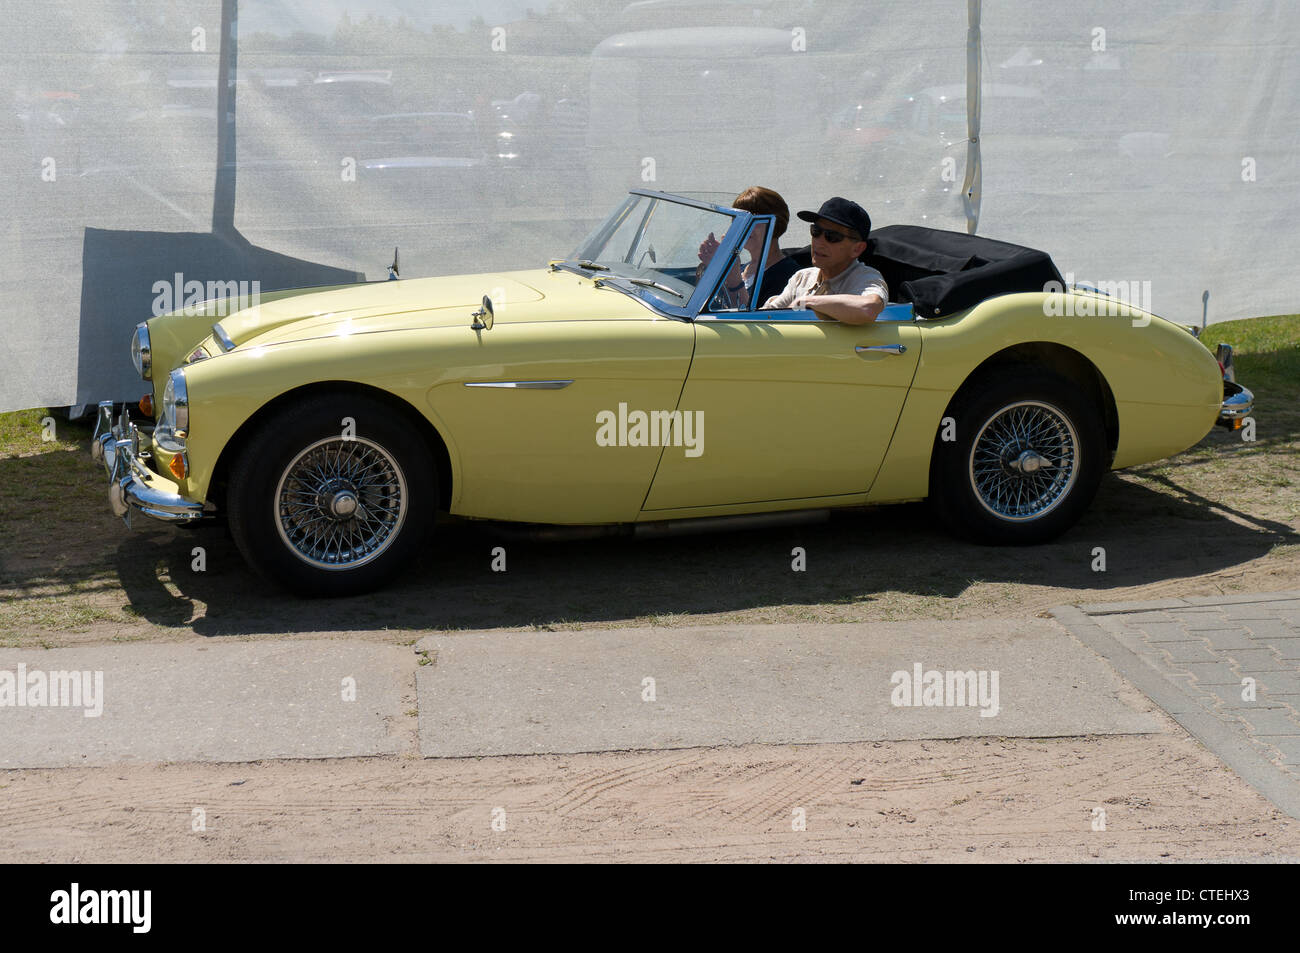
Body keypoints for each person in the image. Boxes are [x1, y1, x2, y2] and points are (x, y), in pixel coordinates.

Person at [761, 197, 888, 324]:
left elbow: (868, 309)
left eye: (832, 237)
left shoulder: (866, 278)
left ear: (857, 249)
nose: (819, 243)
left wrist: (808, 301)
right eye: (816, 231)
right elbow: (765, 317)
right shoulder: (802, 278)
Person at [697, 186, 800, 310]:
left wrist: (733, 277)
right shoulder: (741, 268)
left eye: (753, 219)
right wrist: (715, 269)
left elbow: (756, 322)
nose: (745, 226)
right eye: (739, 219)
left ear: (775, 224)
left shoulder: (789, 275)